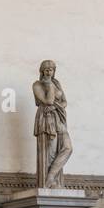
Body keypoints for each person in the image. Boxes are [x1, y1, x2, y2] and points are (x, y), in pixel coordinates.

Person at [33, 60, 72, 188]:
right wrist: (49, 85)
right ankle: (50, 181)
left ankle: (51, 176)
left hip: (59, 118)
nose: (49, 71)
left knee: (67, 148)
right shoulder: (37, 85)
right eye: (46, 69)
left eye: (51, 69)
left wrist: (57, 107)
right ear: (42, 71)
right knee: (50, 152)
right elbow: (48, 101)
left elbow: (65, 102)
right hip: (46, 118)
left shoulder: (57, 83)